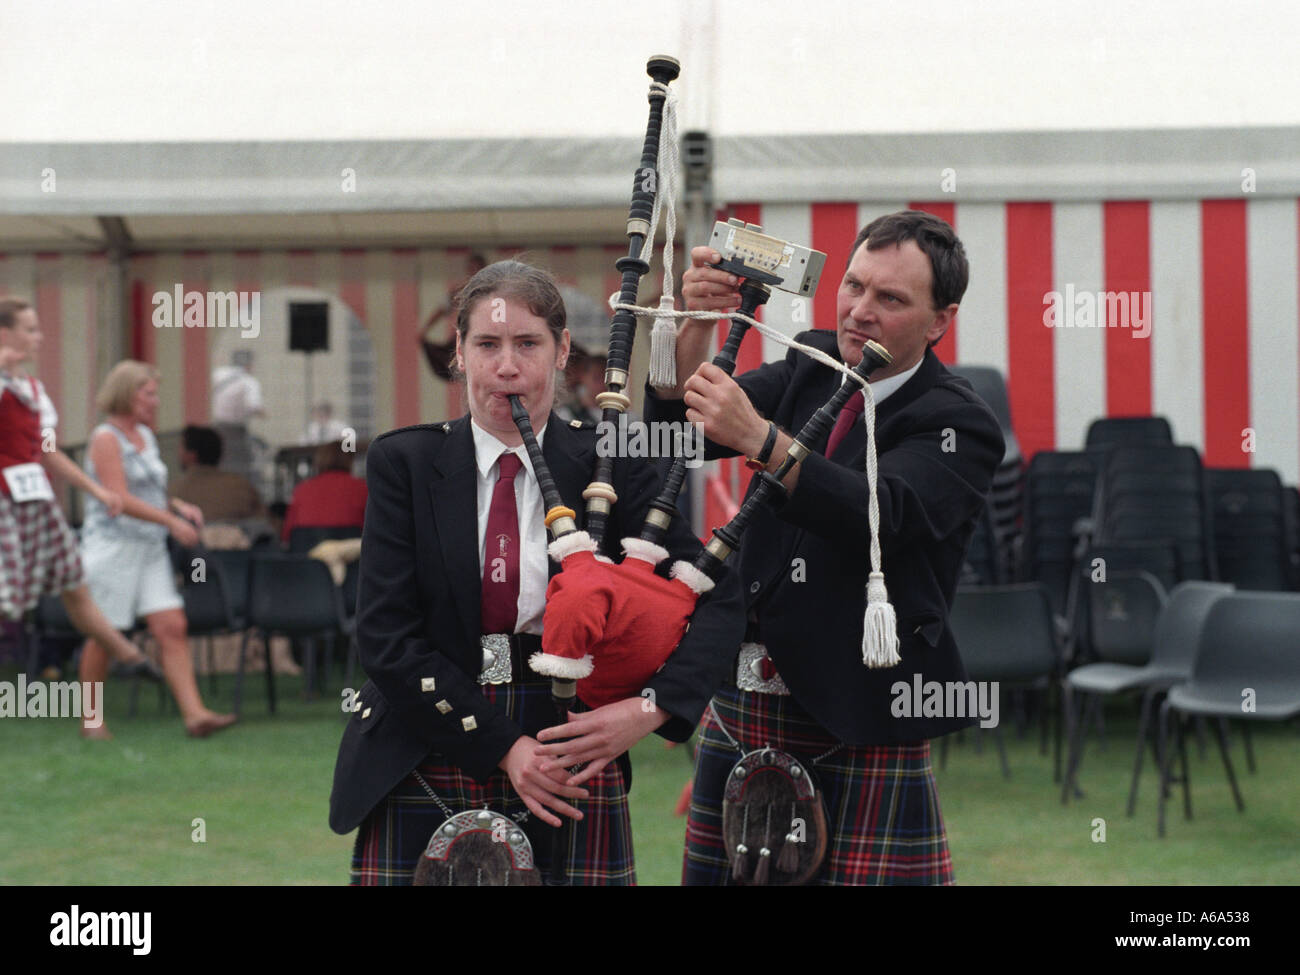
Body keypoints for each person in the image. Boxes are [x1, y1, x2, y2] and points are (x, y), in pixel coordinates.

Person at [329, 260, 743, 885]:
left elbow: (718, 595)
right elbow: (386, 638)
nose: (507, 366)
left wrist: (650, 708)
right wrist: (505, 746)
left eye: (528, 344)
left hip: (570, 740)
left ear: (561, 351)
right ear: (460, 356)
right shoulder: (405, 462)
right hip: (431, 732)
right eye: (487, 345)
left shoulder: (613, 461)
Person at [647, 210, 1004, 885]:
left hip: (858, 713)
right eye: (853, 285)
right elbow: (677, 436)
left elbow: (882, 512)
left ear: (939, 320)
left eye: (890, 298)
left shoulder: (959, 421)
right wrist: (693, 329)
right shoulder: (810, 366)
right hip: (746, 704)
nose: (860, 311)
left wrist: (763, 441)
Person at [0, 299, 163, 694]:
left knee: (74, 582)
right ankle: (126, 654)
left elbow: (48, 450)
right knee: (8, 597)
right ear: (7, 333)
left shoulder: (34, 391)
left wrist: (96, 490)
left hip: (35, 499)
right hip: (4, 500)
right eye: (31, 329)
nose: (39, 338)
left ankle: (127, 654)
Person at [79, 360, 238, 739]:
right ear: (126, 393)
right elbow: (117, 498)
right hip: (114, 547)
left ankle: (195, 715)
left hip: (149, 548)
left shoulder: (146, 438)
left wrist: (177, 507)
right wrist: (171, 523)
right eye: (148, 393)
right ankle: (91, 720)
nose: (155, 401)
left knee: (172, 626)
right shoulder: (105, 438)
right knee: (105, 634)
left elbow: (148, 492)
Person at [170, 425, 266, 524]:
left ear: (191, 455)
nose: (178, 454)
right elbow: (263, 522)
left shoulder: (175, 491)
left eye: (181, 448)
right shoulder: (243, 486)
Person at [280, 441, 367, 545]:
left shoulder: (302, 490)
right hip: (352, 558)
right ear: (349, 460)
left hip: (305, 557)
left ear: (319, 460)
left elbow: (287, 535)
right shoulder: (363, 488)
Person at [210, 348, 263, 487]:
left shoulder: (219, 374)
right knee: (244, 468)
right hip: (236, 432)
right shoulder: (249, 382)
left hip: (218, 429)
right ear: (249, 364)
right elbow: (253, 406)